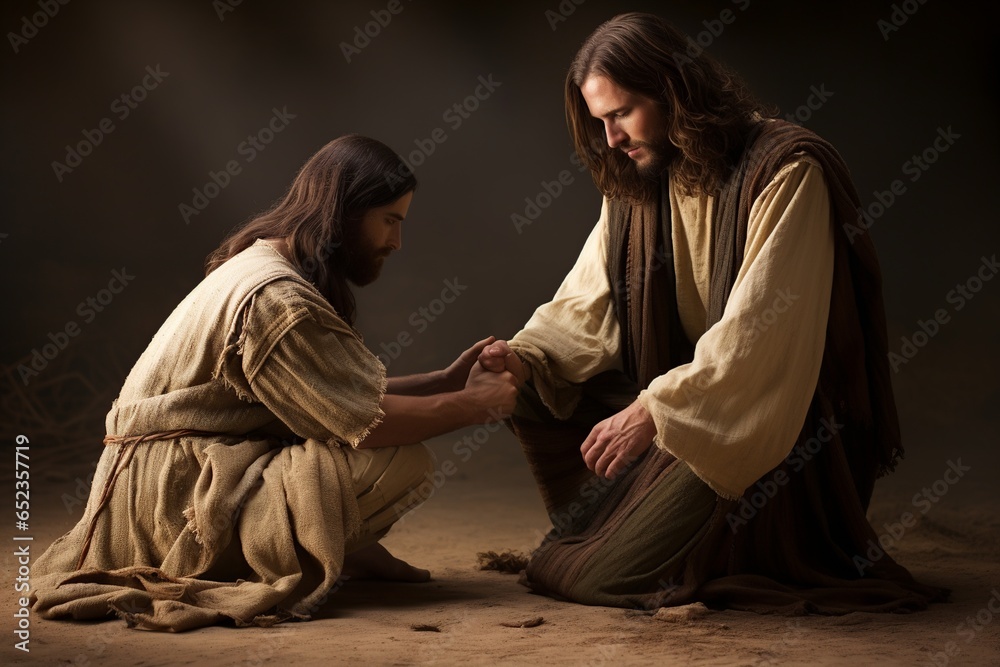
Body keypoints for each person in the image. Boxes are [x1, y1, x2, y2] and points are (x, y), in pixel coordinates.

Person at [478, 13, 947, 613]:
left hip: (752, 418)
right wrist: (517, 360)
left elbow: (760, 339)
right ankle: (630, 525)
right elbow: (584, 303)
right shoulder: (640, 176)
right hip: (686, 397)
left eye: (621, 114)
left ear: (674, 89)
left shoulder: (786, 171)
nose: (612, 140)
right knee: (529, 378)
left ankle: (680, 536)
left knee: (590, 579)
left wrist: (655, 407)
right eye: (601, 123)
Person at [30, 134, 519, 631]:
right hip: (167, 505)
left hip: (167, 478)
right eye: (390, 221)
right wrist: (474, 406)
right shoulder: (276, 297)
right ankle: (301, 551)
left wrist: (444, 382)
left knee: (333, 443)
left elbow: (331, 393)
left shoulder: (267, 262)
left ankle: (349, 550)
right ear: (346, 211)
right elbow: (363, 426)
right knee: (400, 458)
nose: (396, 242)